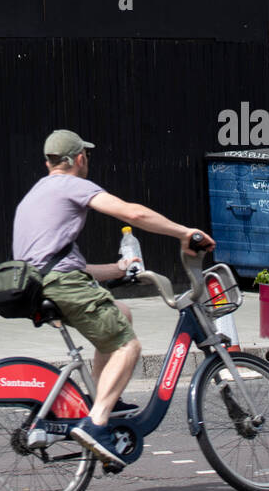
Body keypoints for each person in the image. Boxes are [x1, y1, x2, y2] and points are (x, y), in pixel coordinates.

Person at [12, 129, 215, 466]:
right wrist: (184, 232)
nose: (87, 161)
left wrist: (120, 269)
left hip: (39, 285)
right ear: (79, 159)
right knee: (128, 346)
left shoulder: (35, 194)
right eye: (86, 156)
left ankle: (99, 399)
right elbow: (132, 213)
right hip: (62, 284)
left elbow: (65, 264)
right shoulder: (72, 184)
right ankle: (98, 422)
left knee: (121, 312)